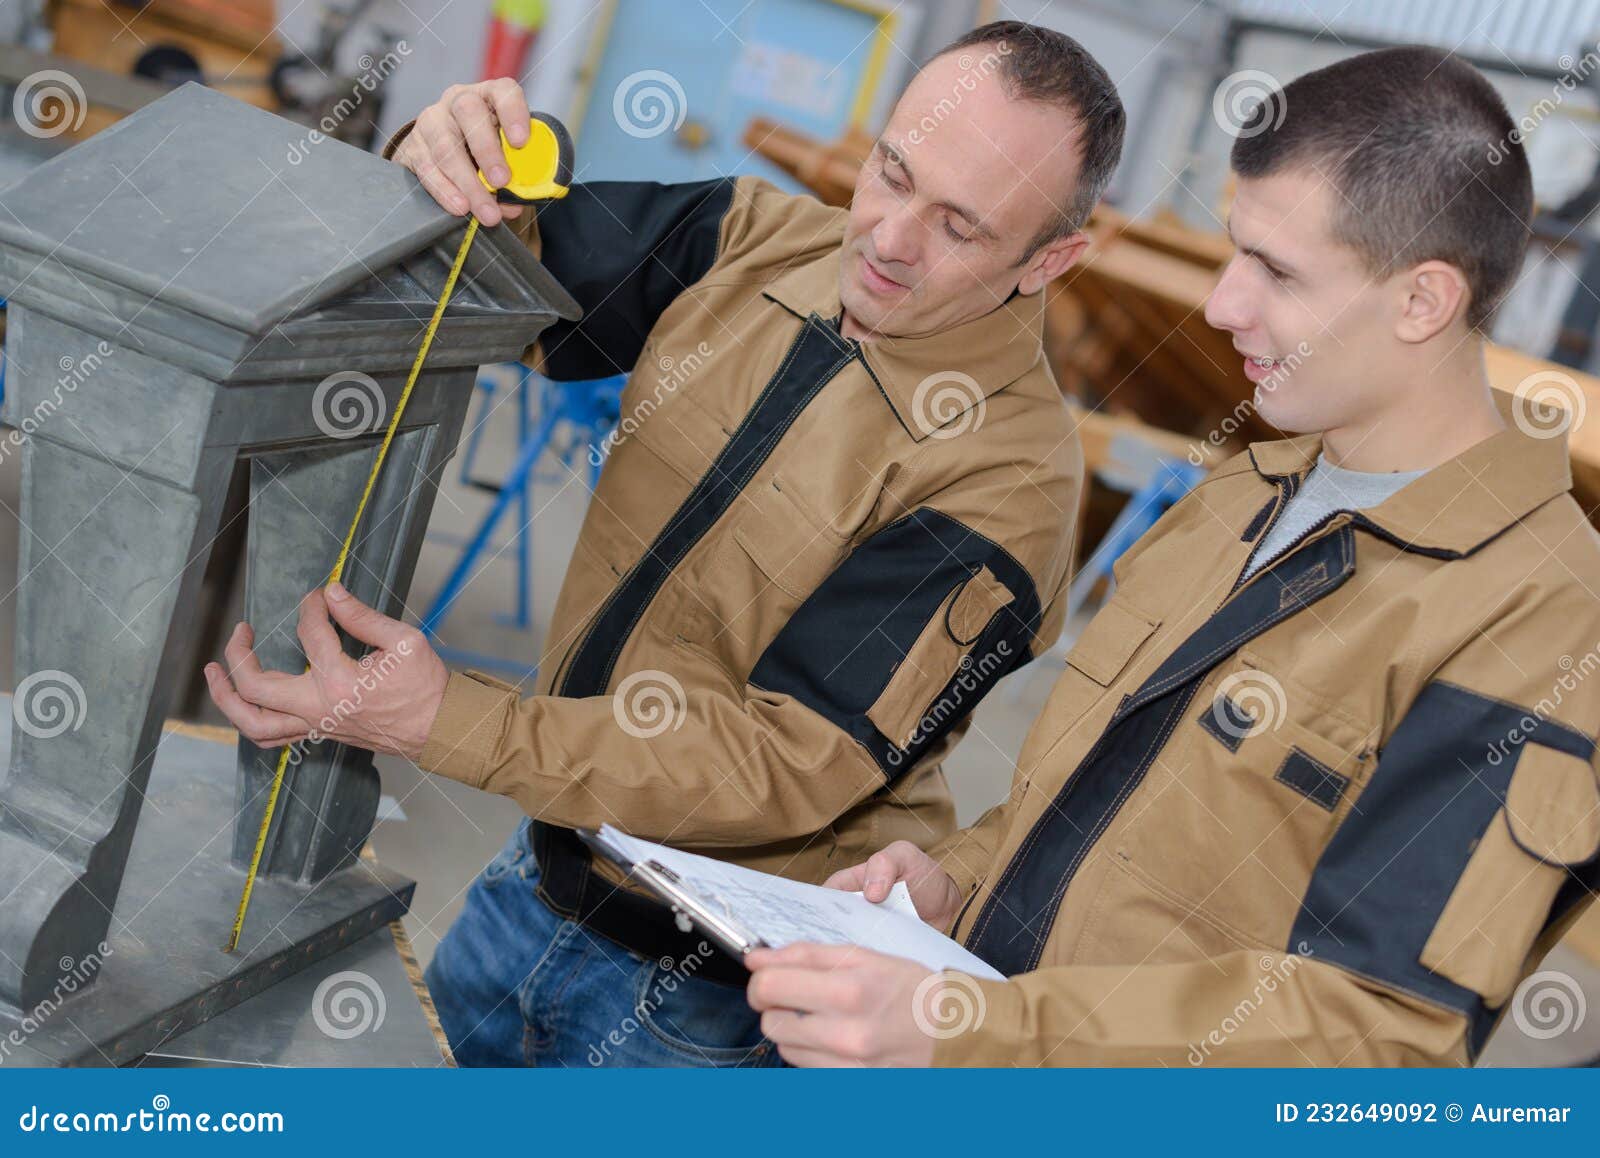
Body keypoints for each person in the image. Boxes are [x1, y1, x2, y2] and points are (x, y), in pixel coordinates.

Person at [205, 21, 1125, 1066]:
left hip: (718, 1002)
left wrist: (452, 721)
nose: (885, 239)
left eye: (958, 226)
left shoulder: (1011, 480)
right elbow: (503, 273)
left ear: (1049, 258)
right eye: (891, 171)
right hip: (535, 880)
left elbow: (785, 760)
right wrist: (445, 149)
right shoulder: (748, 238)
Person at [745, 45, 1600, 1067]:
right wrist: (956, 885)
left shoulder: (1542, 614)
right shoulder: (1234, 499)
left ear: (1422, 301)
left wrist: (973, 1034)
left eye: (1276, 271)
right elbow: (1082, 819)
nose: (1223, 305)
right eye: (1234, 250)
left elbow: (1375, 1037)